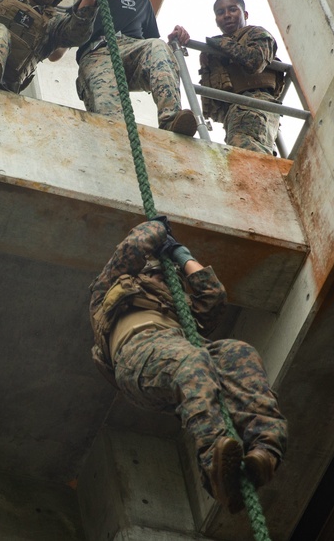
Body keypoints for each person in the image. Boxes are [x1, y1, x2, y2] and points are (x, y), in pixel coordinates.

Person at [89, 218, 287, 513]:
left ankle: (264, 452)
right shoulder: (106, 288)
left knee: (238, 352)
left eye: (166, 274)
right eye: (155, 272)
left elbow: (214, 297)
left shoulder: (179, 305)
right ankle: (215, 465)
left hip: (180, 351)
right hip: (138, 355)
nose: (161, 277)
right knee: (192, 360)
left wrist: (181, 255)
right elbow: (134, 246)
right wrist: (158, 230)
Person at [76, 0, 197, 136]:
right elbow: (60, 48)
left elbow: (151, 49)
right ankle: (115, 135)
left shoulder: (140, 2)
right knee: (112, 122)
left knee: (158, 45)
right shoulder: (83, 4)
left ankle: (171, 119)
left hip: (132, 49)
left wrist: (174, 40)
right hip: (97, 54)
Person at [169, 0, 285, 154]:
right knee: (242, 155)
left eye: (232, 10)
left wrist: (222, 43)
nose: (226, 15)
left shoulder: (257, 33)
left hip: (255, 104)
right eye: (220, 12)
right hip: (233, 113)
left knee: (246, 154)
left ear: (245, 14)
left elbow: (255, 61)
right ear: (216, 20)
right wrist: (182, 38)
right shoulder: (213, 51)